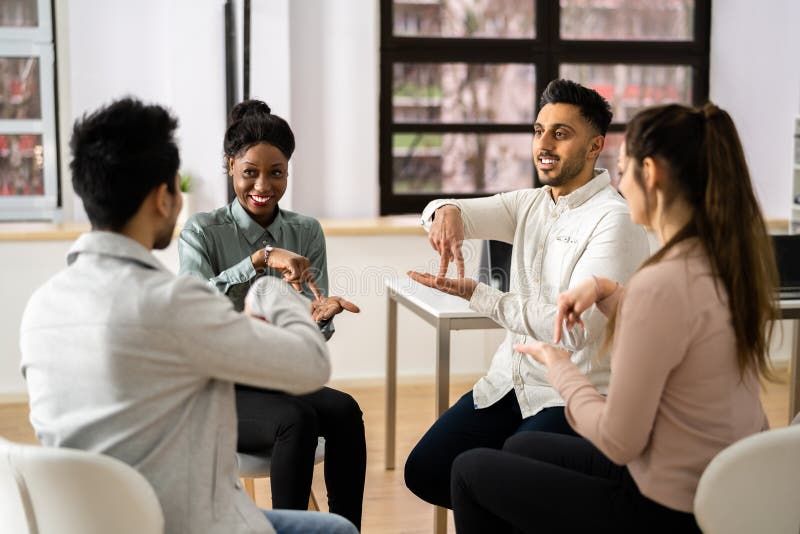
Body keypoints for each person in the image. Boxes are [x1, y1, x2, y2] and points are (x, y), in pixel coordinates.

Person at [19, 98, 357, 534]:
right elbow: (310, 364)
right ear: (164, 198)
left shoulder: (40, 307)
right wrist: (271, 290)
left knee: (339, 414)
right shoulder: (173, 301)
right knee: (335, 529)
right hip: (182, 520)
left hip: (88, 519)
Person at [450, 102, 776, 533]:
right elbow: (683, 325)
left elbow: (620, 442)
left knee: (469, 471)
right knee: (525, 446)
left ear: (651, 173)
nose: (618, 185)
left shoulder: (658, 283)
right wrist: (614, 294)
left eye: (622, 171)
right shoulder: (725, 264)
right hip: (725, 480)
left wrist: (561, 370)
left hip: (666, 507)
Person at [403, 79, 651, 509]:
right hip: (508, 385)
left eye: (561, 133)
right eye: (539, 131)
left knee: (500, 479)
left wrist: (482, 297)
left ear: (595, 147)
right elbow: (445, 209)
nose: (545, 144)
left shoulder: (616, 219)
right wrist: (445, 213)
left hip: (572, 395)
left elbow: (571, 332)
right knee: (426, 469)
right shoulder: (531, 204)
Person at [178, 100, 366, 529]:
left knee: (344, 412)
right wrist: (258, 260)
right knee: (296, 421)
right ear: (231, 167)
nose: (263, 185)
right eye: (250, 172)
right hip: (216, 386)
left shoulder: (305, 231)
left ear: (288, 171)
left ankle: (345, 530)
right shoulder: (201, 231)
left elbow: (308, 345)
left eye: (276, 172)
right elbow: (194, 313)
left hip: (275, 376)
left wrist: (319, 318)